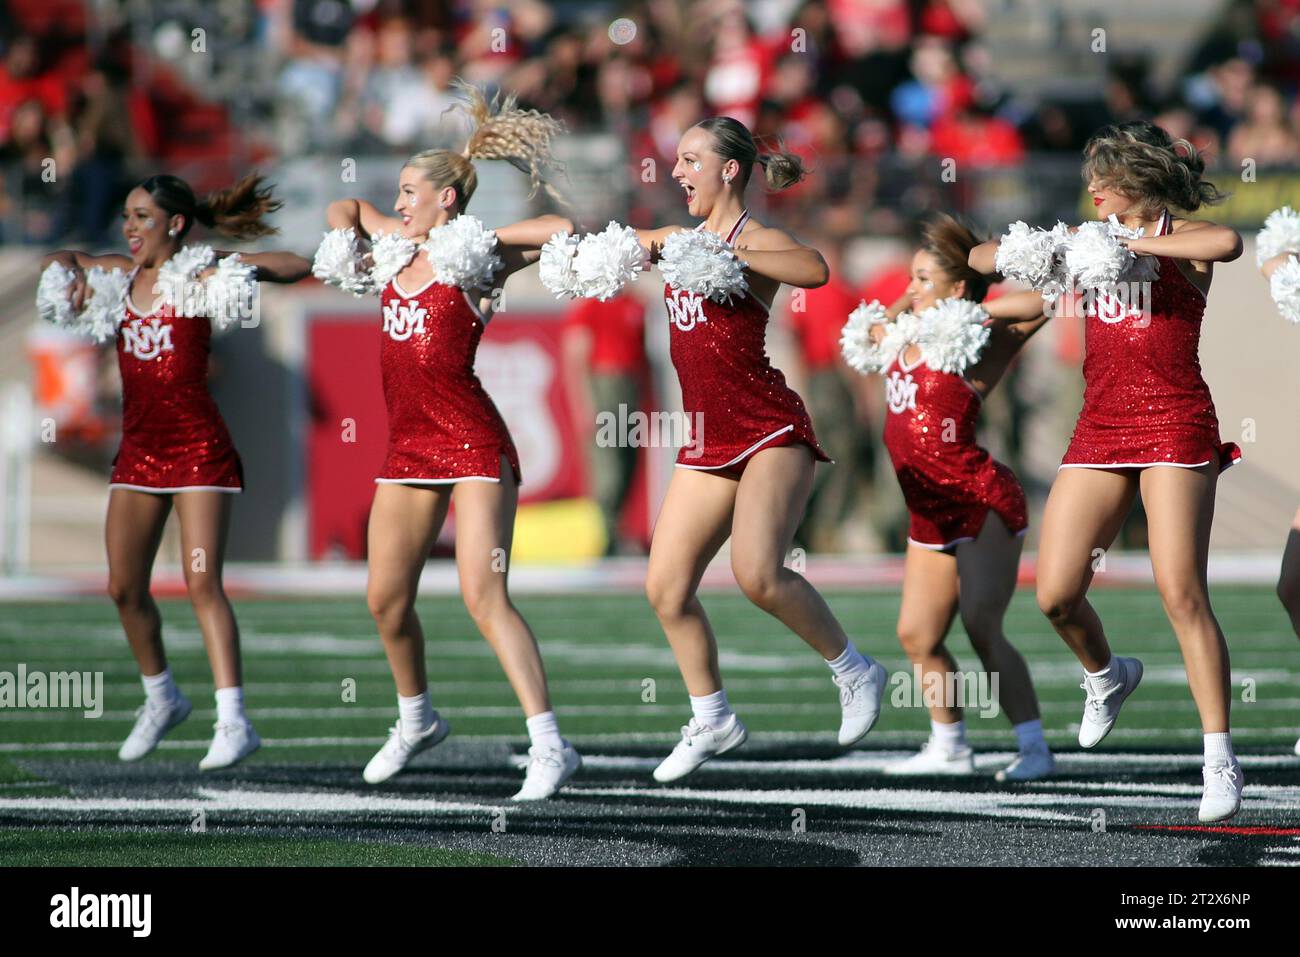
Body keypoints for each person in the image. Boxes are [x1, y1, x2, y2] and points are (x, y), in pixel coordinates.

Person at [971, 121, 1246, 821]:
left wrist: (1123, 242)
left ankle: (1219, 760)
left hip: (1175, 422)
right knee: (1056, 593)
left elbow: (1227, 242)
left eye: (1104, 176)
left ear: (1139, 180)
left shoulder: (1181, 241)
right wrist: (1040, 251)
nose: (1091, 188)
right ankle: (1108, 673)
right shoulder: (1085, 240)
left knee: (1181, 590)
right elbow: (981, 256)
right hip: (1101, 427)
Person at [317, 83, 580, 800]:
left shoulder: (476, 260)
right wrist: (384, 229)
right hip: (409, 447)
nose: (397, 203)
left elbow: (557, 229)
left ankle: (551, 744)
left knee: (483, 595)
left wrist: (483, 239)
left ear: (448, 200)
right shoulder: (395, 250)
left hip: (471, 442)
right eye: (397, 193)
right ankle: (417, 717)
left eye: (410, 192)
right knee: (384, 598)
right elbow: (343, 210)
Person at [635, 116, 887, 783]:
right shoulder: (676, 237)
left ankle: (855, 669)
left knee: (757, 573)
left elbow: (816, 268)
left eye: (690, 159)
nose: (676, 171)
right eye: (675, 159)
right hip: (706, 439)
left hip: (768, 427)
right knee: (664, 587)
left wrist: (728, 257)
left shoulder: (758, 239)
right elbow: (615, 243)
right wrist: (587, 252)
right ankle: (712, 715)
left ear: (727, 169)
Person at [39, 172, 311, 770]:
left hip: (198, 450)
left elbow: (295, 264)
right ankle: (162, 697)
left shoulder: (199, 269)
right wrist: (71, 274)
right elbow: (61, 254)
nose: (131, 228)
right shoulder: (118, 273)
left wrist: (234, 269)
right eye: (128, 216)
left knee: (201, 583)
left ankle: (234, 720)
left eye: (143, 217)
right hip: (140, 450)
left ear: (176, 224)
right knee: (123, 586)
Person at [847, 214, 1053, 781]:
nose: (908, 289)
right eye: (910, 278)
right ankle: (950, 744)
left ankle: (1033, 746)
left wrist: (970, 310)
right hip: (927, 505)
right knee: (917, 634)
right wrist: (909, 311)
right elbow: (868, 329)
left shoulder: (974, 341)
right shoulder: (909, 330)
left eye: (922, 279)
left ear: (958, 287)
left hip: (977, 496)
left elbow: (1042, 303)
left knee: (982, 625)